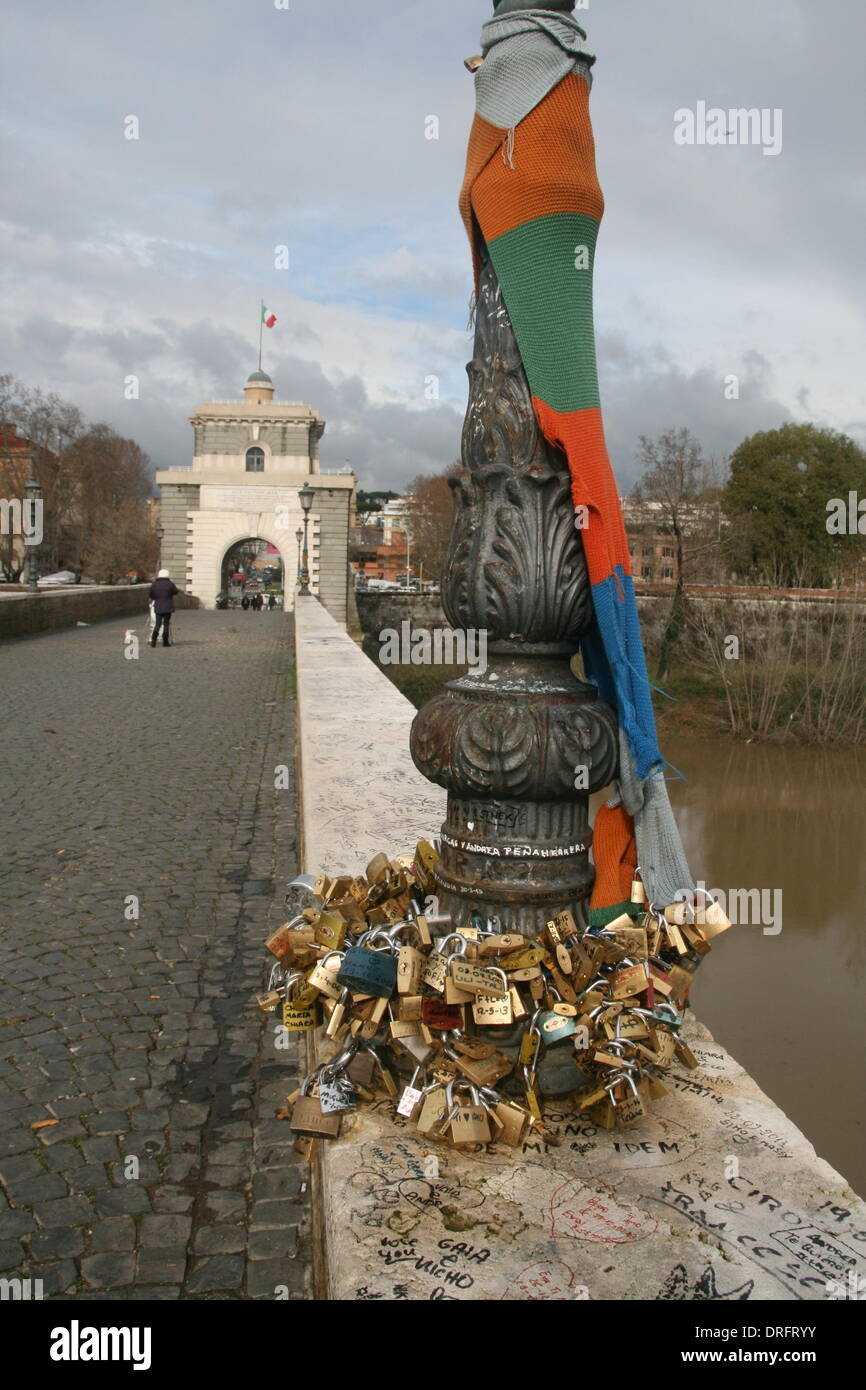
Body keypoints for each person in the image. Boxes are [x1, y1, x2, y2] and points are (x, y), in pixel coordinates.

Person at [148, 568, 178, 647]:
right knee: (166, 624)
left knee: (157, 624)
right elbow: (175, 591)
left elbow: (151, 594)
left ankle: (153, 640)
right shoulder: (170, 584)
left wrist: (156, 598)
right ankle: (165, 641)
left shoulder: (154, 584)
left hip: (158, 606)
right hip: (168, 606)